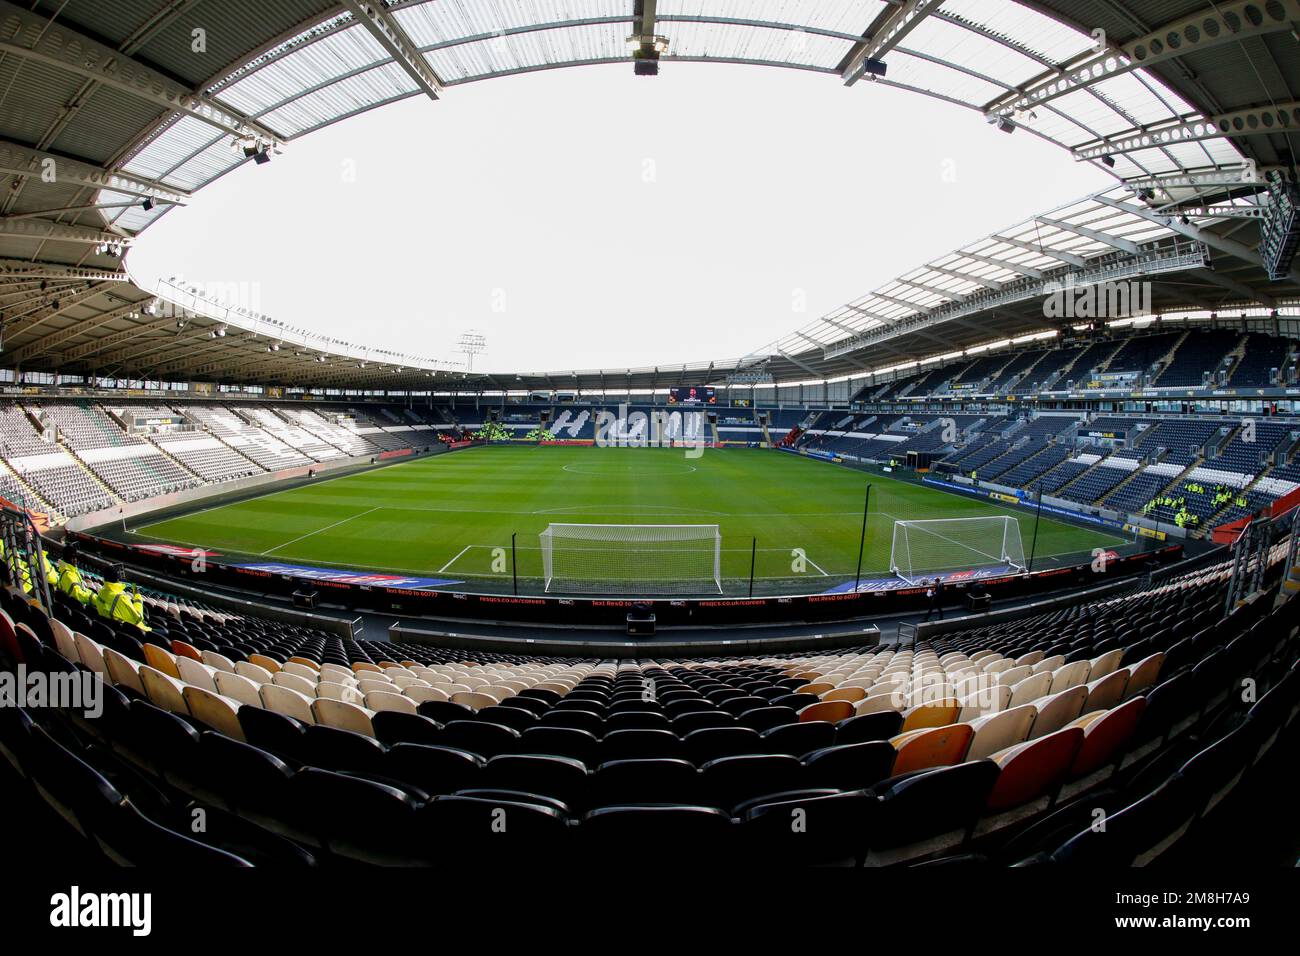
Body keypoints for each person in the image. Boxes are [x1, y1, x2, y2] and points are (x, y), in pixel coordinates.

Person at [93, 564, 150, 632]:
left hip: (113, 629)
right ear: (118, 579)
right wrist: (137, 596)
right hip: (136, 630)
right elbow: (138, 617)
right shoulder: (121, 598)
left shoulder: (101, 592)